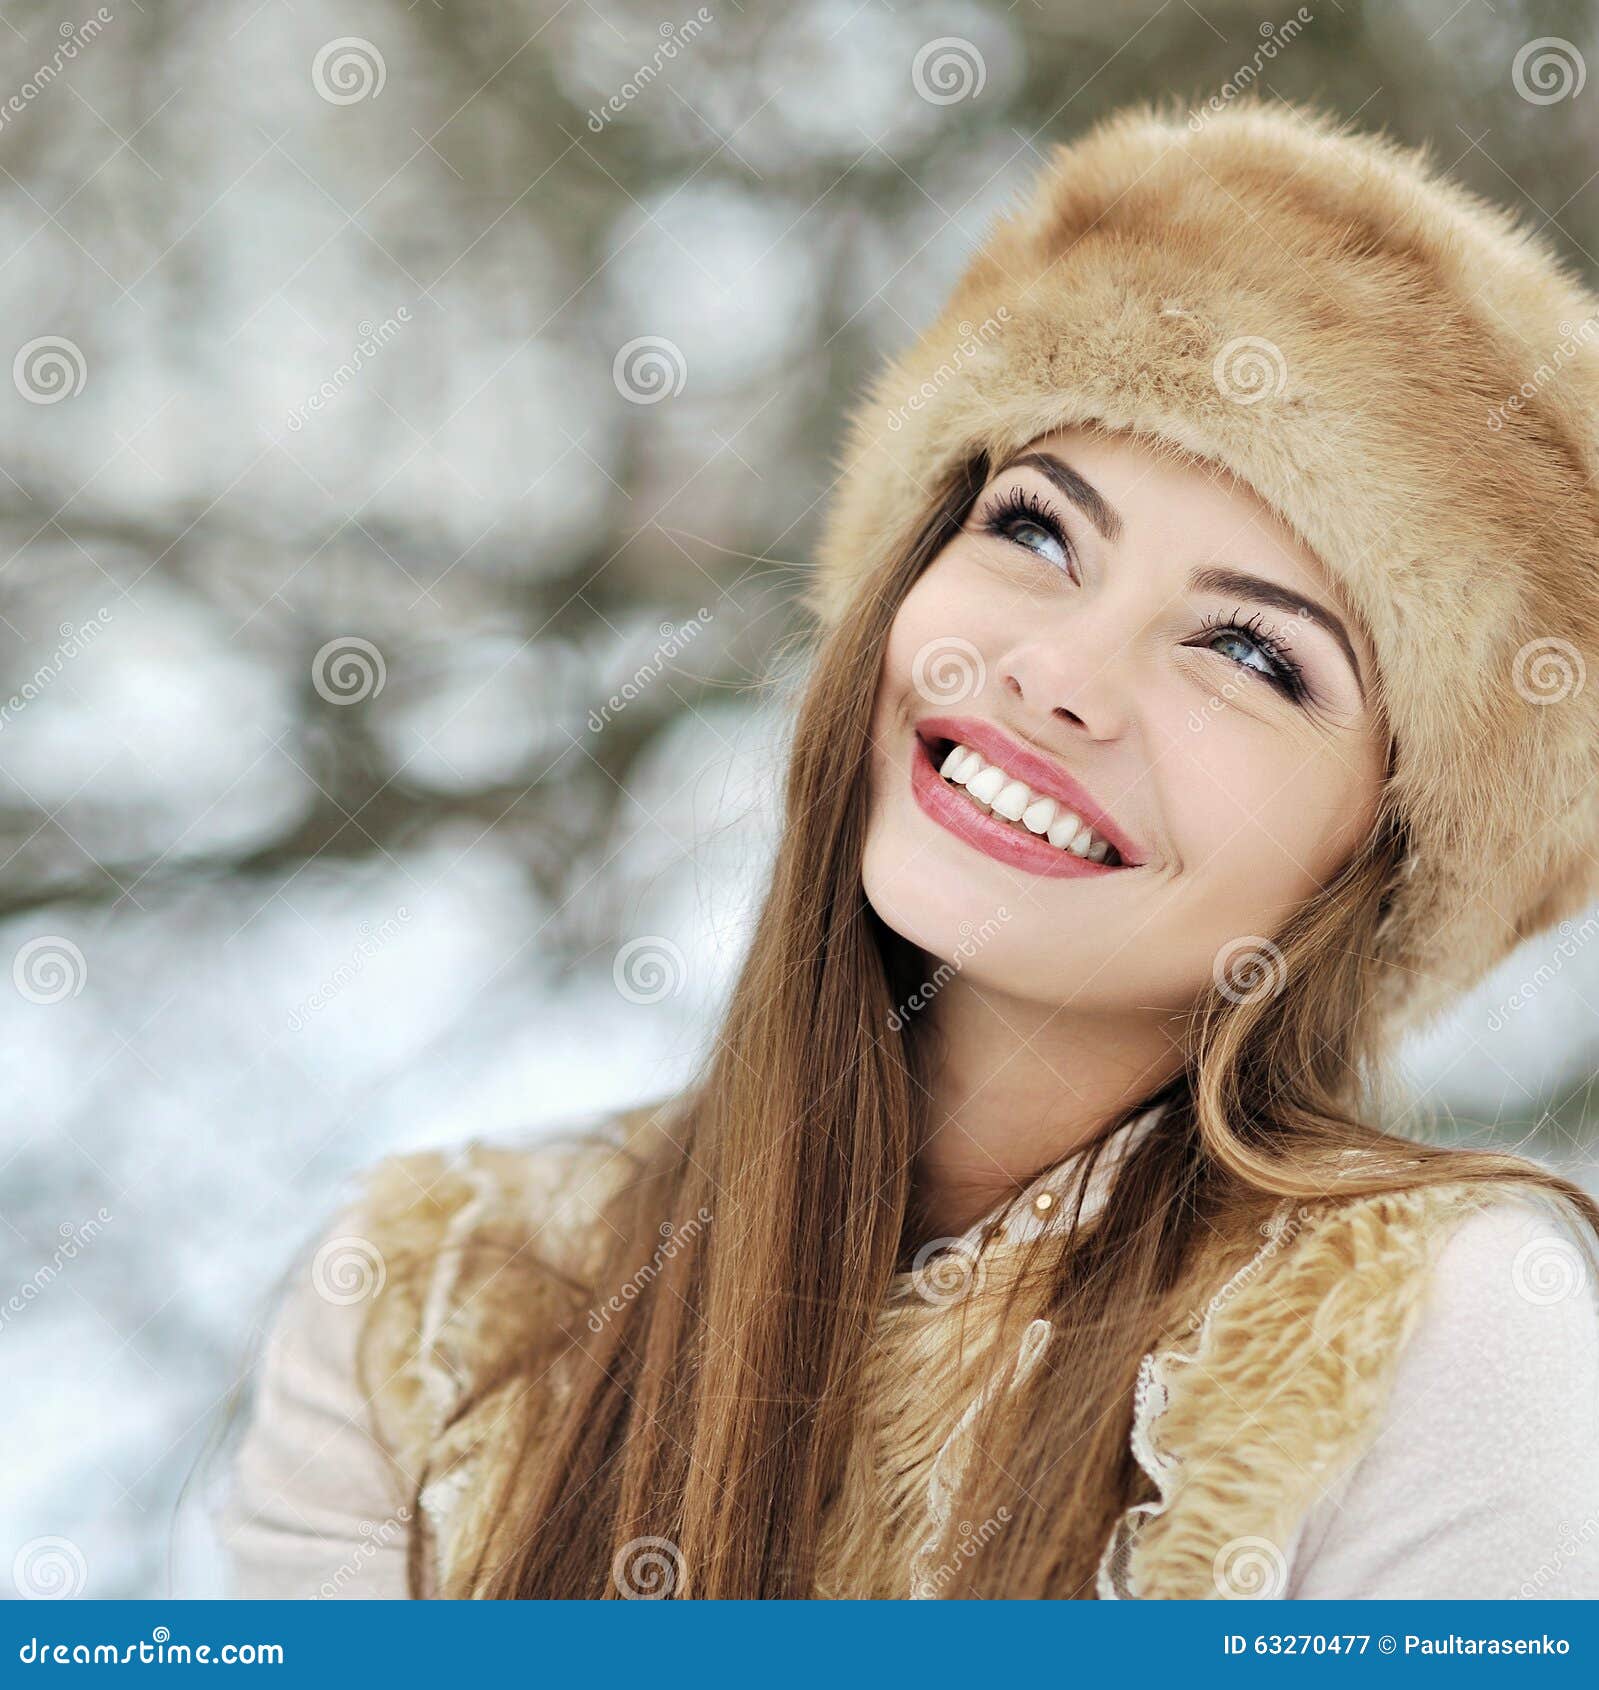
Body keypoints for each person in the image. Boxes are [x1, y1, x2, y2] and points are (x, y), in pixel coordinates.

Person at [210, 95, 1599, 1600]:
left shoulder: (1436, 1331)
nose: (1057, 671)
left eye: (1251, 653)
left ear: (1386, 860)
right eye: (1038, 531)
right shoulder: (425, 1309)